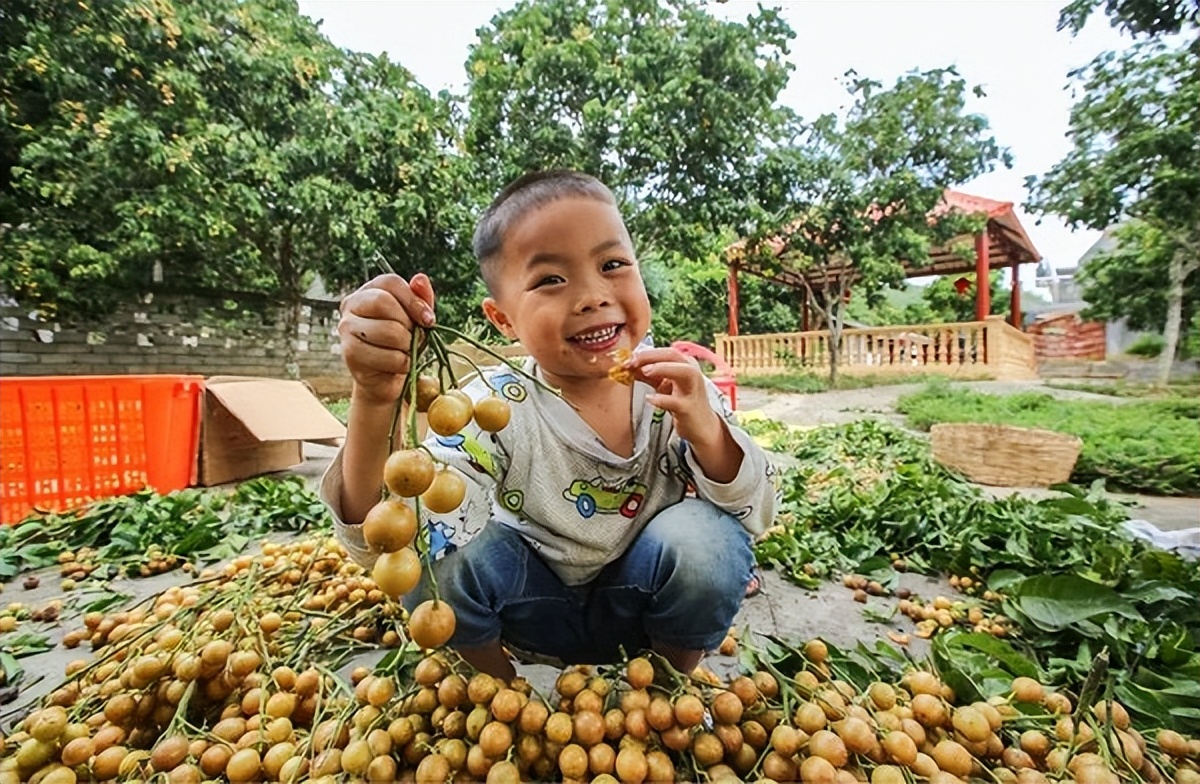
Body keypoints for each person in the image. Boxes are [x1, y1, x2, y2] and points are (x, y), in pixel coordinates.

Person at [323, 170, 777, 680]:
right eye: (550, 280)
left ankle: (665, 687)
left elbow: (757, 512)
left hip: (645, 611)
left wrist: (707, 432)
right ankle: (501, 695)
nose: (591, 295)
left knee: (708, 540)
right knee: (439, 551)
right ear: (504, 320)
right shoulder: (491, 406)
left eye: (612, 264)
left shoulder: (676, 389)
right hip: (527, 611)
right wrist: (375, 396)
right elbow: (387, 535)